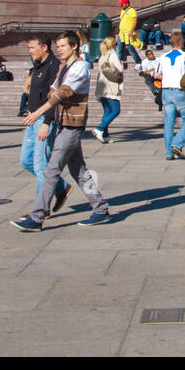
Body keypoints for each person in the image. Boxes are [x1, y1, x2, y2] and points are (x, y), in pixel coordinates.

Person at [11, 31, 111, 230]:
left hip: (72, 126)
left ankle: (37, 216)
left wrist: (40, 111)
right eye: (58, 46)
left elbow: (62, 92)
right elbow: (53, 89)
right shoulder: (64, 66)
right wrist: (54, 94)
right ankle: (100, 208)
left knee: (51, 170)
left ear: (74, 46)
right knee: (79, 171)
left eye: (63, 46)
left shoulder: (81, 66)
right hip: (64, 123)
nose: (60, 50)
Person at [19, 34, 70, 211]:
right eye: (29, 48)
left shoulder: (53, 67)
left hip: (43, 120)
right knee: (26, 161)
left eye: (33, 47)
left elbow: (54, 98)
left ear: (44, 47)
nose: (30, 51)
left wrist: (47, 122)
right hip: (33, 118)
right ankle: (60, 186)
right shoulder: (38, 65)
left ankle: (40, 210)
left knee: (41, 166)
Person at [159, 39, 185, 160]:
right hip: (179, 90)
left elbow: (157, 74)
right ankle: (177, 143)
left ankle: (168, 152)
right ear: (181, 43)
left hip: (166, 90)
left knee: (168, 123)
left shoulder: (163, 56)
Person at [93, 35, 124, 144]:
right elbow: (119, 69)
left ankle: (105, 135)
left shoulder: (103, 55)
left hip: (102, 86)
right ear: (114, 45)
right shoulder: (113, 54)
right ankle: (100, 128)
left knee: (107, 110)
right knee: (116, 110)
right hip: (111, 85)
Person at [116, 0, 142, 64]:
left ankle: (138, 62)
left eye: (122, 4)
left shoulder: (132, 11)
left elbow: (135, 22)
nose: (121, 6)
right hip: (121, 33)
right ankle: (118, 63)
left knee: (130, 49)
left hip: (128, 33)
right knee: (118, 49)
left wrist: (131, 31)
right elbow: (121, 22)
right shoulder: (122, 11)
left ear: (127, 4)